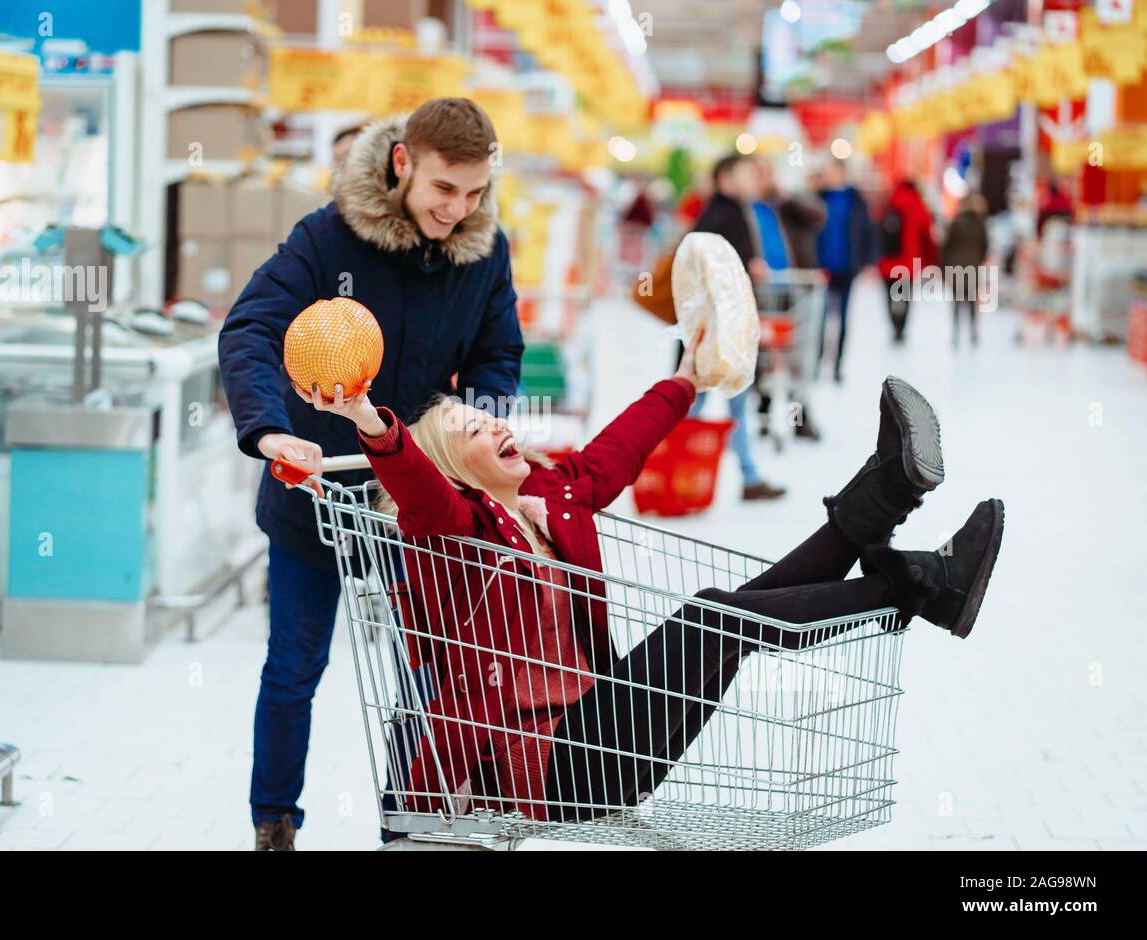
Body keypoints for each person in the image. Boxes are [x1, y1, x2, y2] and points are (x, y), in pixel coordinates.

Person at [301, 352, 1006, 824]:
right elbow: (417, 492)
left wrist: (686, 378)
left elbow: (621, 447)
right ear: (454, 468)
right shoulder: (452, 533)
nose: (492, 423)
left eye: (486, 415)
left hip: (612, 737)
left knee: (735, 617)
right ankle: (920, 585)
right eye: (470, 431)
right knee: (713, 619)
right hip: (552, 769)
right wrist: (370, 421)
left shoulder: (551, 495)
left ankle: (884, 497)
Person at [219, 98, 525, 851]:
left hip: (416, 498)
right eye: (445, 189)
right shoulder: (328, 238)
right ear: (403, 163)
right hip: (315, 491)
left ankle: (409, 824)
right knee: (294, 667)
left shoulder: (484, 254)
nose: (460, 208)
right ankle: (274, 823)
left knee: (426, 679)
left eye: (476, 192)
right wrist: (269, 434)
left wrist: (466, 429)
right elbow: (251, 325)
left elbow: (498, 357)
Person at [689, 154, 784, 501]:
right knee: (697, 403)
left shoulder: (728, 212)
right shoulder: (722, 215)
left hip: (719, 330)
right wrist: (748, 269)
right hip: (719, 330)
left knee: (715, 402)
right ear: (725, 179)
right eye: (746, 174)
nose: (753, 179)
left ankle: (746, 476)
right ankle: (670, 465)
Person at [749, 156, 823, 441]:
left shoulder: (787, 206)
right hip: (759, 292)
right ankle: (764, 418)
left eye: (767, 173)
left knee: (796, 356)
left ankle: (800, 418)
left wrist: (786, 196)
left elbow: (817, 217)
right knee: (762, 355)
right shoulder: (745, 209)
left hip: (795, 289)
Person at [814, 158, 873, 381]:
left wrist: (866, 261)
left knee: (843, 318)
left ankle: (838, 364)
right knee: (821, 318)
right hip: (823, 267)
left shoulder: (856, 200)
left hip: (848, 266)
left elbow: (867, 230)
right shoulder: (818, 199)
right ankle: (817, 362)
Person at [877, 179, 937, 344]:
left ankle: (893, 325)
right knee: (905, 296)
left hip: (887, 262)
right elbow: (927, 237)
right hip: (908, 264)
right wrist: (930, 262)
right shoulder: (918, 207)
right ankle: (902, 328)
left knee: (889, 296)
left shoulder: (888, 204)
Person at [941, 192, 990, 347]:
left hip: (955, 266)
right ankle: (973, 332)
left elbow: (947, 246)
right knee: (970, 302)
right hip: (972, 266)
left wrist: (944, 264)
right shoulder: (979, 224)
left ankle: (955, 333)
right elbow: (985, 246)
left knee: (956, 301)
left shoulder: (956, 222)